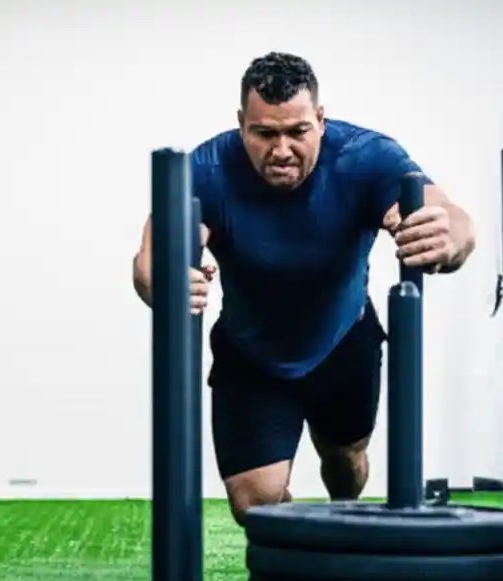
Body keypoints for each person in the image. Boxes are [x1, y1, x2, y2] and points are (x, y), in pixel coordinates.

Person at [130, 51, 476, 525]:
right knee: (254, 501)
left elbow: (453, 219)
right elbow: (152, 259)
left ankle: (344, 522)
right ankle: (297, 573)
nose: (282, 149)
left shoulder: (366, 157)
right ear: (241, 124)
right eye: (265, 133)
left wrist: (448, 236)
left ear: (320, 119)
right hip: (252, 353)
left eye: (297, 132)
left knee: (345, 463)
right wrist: (163, 282)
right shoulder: (206, 170)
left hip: (343, 341)